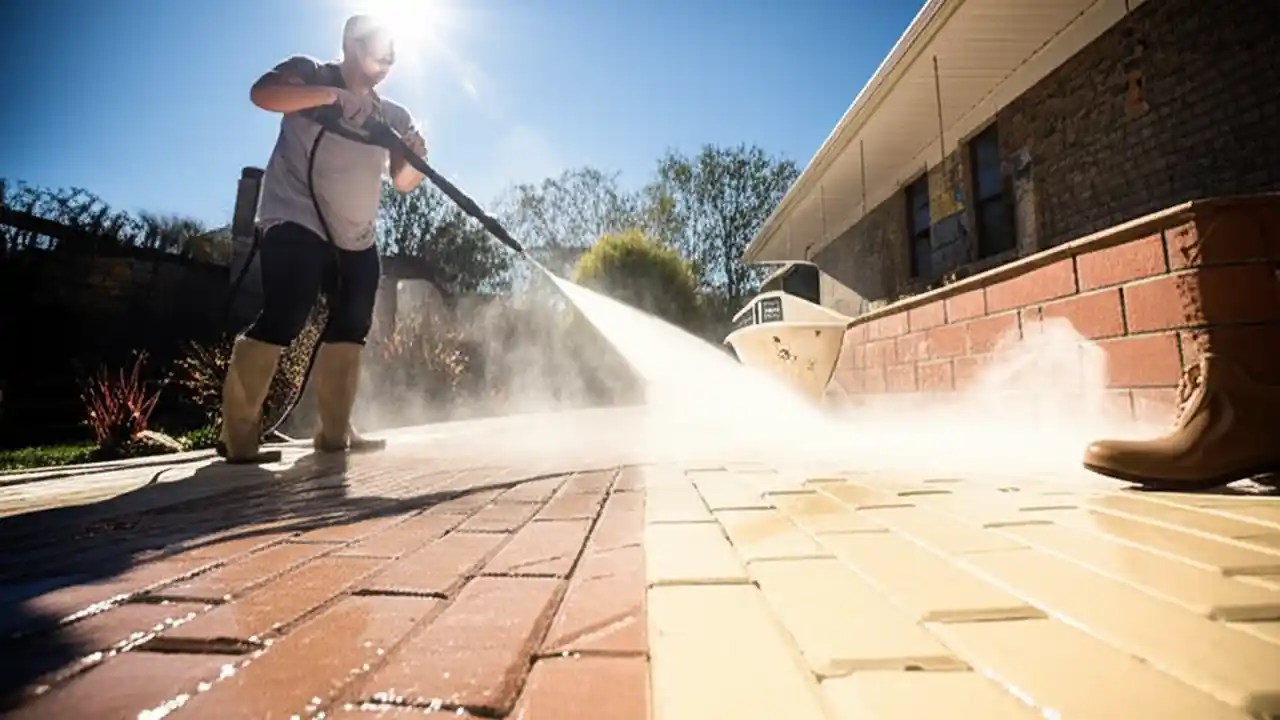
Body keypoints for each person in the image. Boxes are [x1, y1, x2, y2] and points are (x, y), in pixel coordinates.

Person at [219, 14, 427, 463]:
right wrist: (329, 97)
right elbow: (262, 94)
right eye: (380, 48)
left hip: (355, 232)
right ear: (352, 42)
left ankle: (335, 434)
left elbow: (403, 182)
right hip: (296, 215)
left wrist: (415, 157)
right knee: (287, 313)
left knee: (352, 324)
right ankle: (238, 434)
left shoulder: (391, 115)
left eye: (394, 54)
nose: (388, 59)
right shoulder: (309, 73)